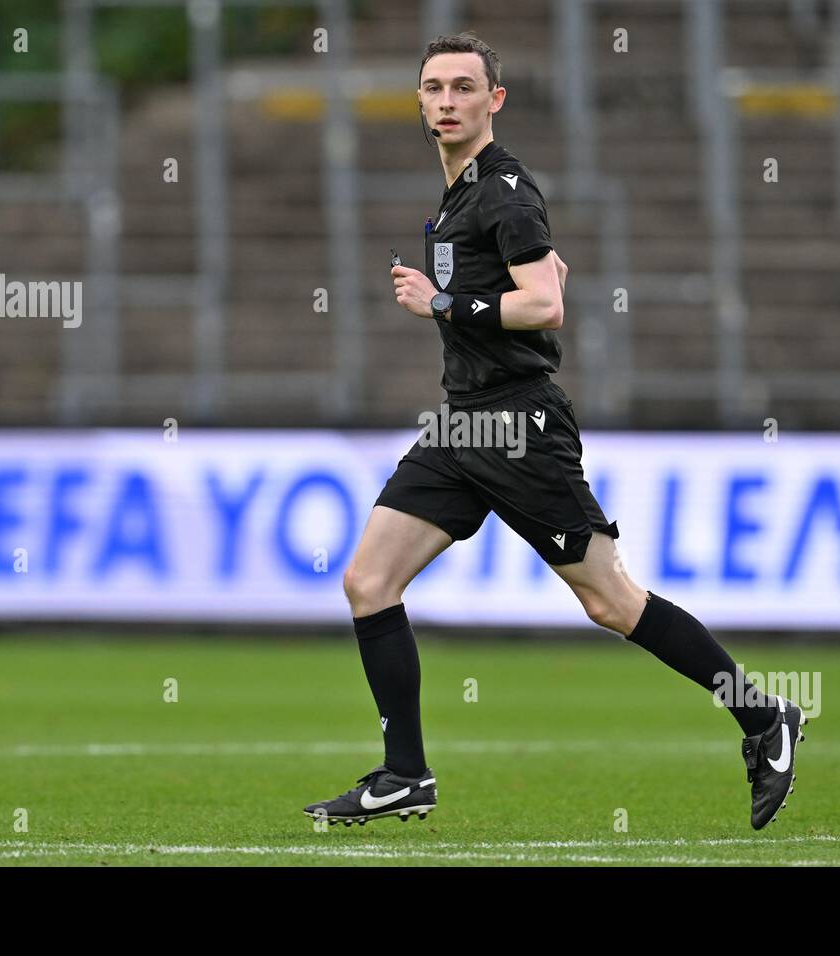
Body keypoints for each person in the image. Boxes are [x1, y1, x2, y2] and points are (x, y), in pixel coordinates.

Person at [304, 32, 807, 831]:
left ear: (494, 100)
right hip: (461, 422)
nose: (446, 101)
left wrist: (440, 305)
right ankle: (404, 774)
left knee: (611, 601)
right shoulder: (462, 196)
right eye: (433, 88)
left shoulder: (502, 190)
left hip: (518, 424)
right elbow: (548, 269)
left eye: (464, 88)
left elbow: (546, 303)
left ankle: (763, 715)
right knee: (369, 581)